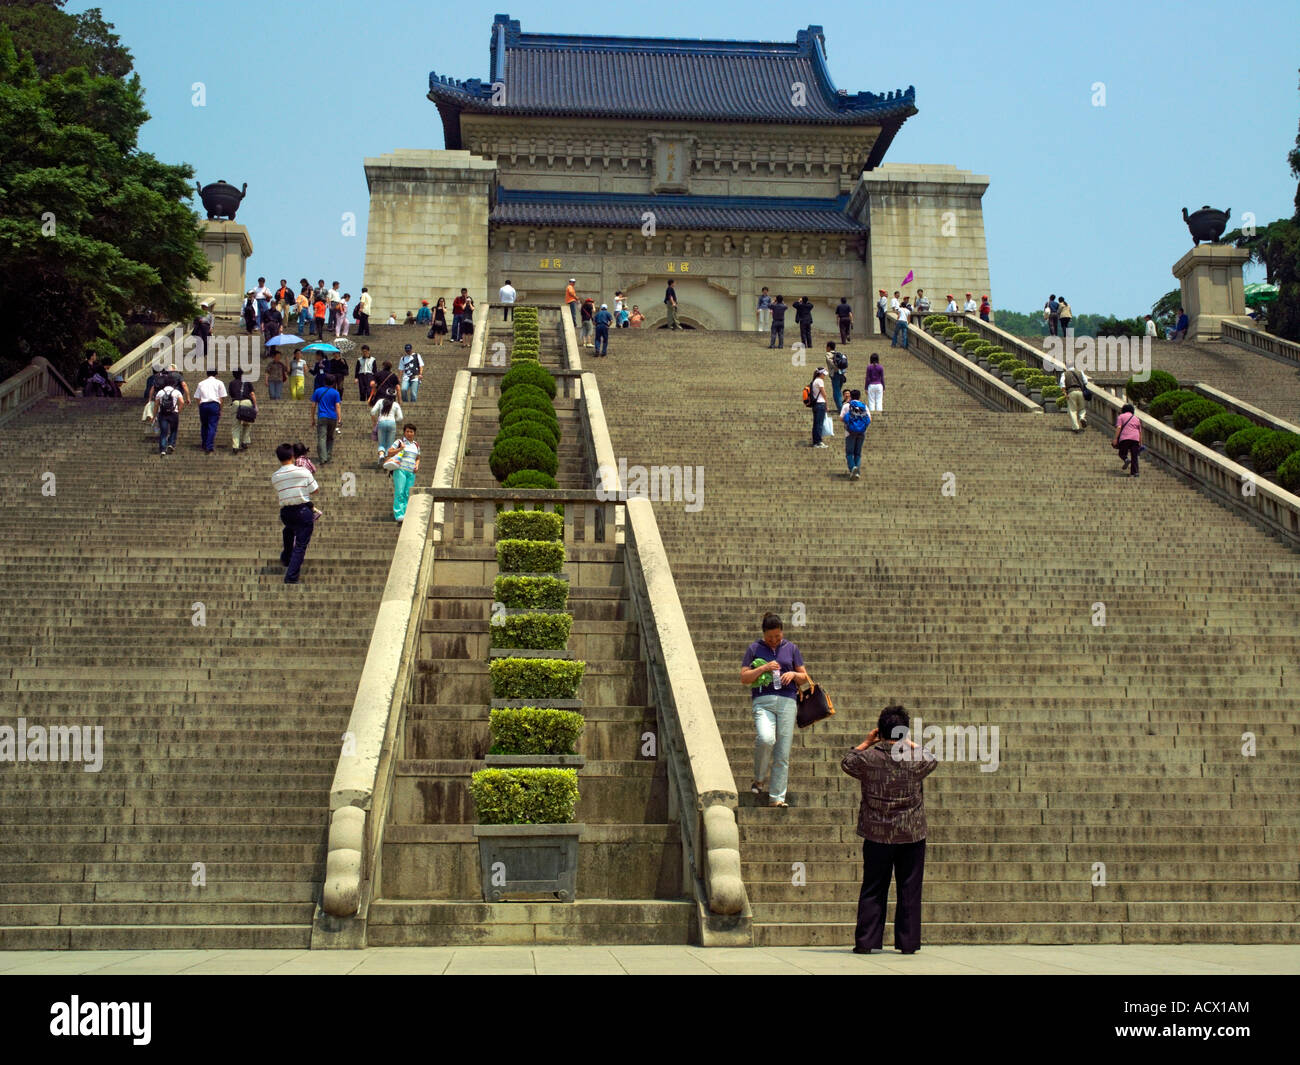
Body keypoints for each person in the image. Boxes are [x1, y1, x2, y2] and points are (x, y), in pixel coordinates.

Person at [840, 704, 938, 955]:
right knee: (909, 888)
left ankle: (866, 941)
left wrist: (865, 742)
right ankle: (907, 942)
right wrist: (910, 742)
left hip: (876, 833)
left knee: (873, 886)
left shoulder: (868, 758)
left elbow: (847, 762)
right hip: (911, 833)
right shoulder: (914, 758)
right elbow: (932, 758)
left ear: (879, 730)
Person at [739, 613, 808, 809]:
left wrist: (794, 674)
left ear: (782, 632)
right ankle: (759, 779)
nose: (774, 640)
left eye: (777, 636)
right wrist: (764, 668)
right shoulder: (754, 648)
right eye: (770, 637)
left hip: (788, 701)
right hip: (763, 701)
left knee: (782, 751)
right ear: (764, 634)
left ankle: (777, 797)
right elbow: (744, 677)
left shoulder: (791, 648)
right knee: (766, 738)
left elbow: (805, 677)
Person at [272, 442, 319, 585]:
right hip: (302, 510)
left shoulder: (275, 476)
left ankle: (286, 557)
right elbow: (315, 490)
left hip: (286, 512)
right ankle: (291, 576)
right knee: (300, 545)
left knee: (289, 530)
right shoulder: (303, 472)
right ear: (293, 456)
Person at [385, 423, 421, 523]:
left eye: (411, 431)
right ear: (404, 432)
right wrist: (400, 449)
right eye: (407, 431)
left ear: (414, 433)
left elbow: (417, 457)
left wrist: (417, 465)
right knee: (400, 492)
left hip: (411, 472)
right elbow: (389, 452)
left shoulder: (416, 445)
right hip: (400, 470)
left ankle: (405, 513)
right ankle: (399, 514)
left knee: (407, 493)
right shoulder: (399, 442)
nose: (409, 433)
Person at [193, 367, 226, 455]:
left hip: (203, 405)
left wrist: (200, 405)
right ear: (216, 374)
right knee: (212, 426)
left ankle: (204, 443)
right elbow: (222, 397)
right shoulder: (219, 383)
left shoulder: (201, 383)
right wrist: (220, 408)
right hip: (214, 404)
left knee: (204, 425)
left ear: (207, 374)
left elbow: (197, 397)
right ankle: (209, 446)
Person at [840, 388, 870, 479]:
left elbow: (841, 418)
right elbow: (869, 419)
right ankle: (857, 471)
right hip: (861, 432)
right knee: (857, 453)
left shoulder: (847, 406)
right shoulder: (864, 406)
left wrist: (849, 422)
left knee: (849, 453)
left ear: (851, 396)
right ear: (859, 396)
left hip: (850, 432)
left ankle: (853, 468)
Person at [312, 374, 342, 464]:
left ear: (324, 381)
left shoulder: (318, 391)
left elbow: (313, 405)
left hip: (322, 416)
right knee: (330, 437)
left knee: (322, 437)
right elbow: (338, 406)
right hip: (333, 417)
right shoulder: (336, 393)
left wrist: (312, 418)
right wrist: (339, 418)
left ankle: (323, 458)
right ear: (333, 383)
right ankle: (328, 456)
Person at [153, 372, 185, 456]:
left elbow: (156, 404)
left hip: (162, 414)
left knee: (163, 432)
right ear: (173, 383)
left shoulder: (160, 392)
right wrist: (178, 410)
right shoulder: (176, 392)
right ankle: (171, 444)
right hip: (173, 413)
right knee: (173, 430)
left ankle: (163, 449)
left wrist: (154, 415)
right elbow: (182, 402)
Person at [228, 368, 257, 453]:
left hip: (236, 402)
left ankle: (235, 446)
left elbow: (231, 394)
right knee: (247, 423)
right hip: (247, 402)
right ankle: (245, 441)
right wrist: (255, 405)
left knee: (236, 426)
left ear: (233, 375)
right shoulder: (247, 382)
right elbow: (252, 394)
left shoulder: (231, 383)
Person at [372, 395, 403, 465]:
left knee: (381, 443)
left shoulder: (380, 401)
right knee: (390, 444)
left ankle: (381, 455)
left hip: (381, 422)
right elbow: (400, 417)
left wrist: (374, 421)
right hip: (392, 423)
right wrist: (394, 420)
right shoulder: (395, 404)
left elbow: (372, 411)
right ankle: (386, 461)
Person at [1114, 402, 1143, 478]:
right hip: (1135, 438)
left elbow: (1119, 427)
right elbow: (1140, 432)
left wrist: (1116, 438)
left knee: (1122, 453)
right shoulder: (1136, 419)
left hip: (1125, 438)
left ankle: (1126, 459)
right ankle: (1135, 472)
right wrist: (1140, 443)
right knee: (1134, 456)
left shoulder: (1121, 416)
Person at [1060, 361, 1090, 432]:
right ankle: (1082, 418)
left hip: (1071, 392)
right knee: (1082, 408)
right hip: (1080, 391)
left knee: (1072, 410)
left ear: (1066, 366)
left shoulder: (1064, 374)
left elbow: (1062, 384)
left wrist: (1065, 394)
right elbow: (1085, 381)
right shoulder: (1080, 372)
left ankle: (1076, 427)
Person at [809, 366, 829, 448]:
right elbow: (824, 394)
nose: (824, 376)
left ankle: (815, 441)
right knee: (819, 424)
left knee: (816, 424)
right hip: (820, 404)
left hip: (816, 404)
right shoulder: (820, 381)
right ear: (820, 374)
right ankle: (818, 441)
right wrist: (827, 405)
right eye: (824, 374)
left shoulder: (814, 381)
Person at [825, 342, 847, 410]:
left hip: (835, 374)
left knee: (836, 391)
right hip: (842, 374)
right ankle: (841, 406)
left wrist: (836, 368)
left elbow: (831, 363)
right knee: (838, 391)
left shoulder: (828, 354)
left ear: (829, 347)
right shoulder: (839, 354)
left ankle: (841, 409)